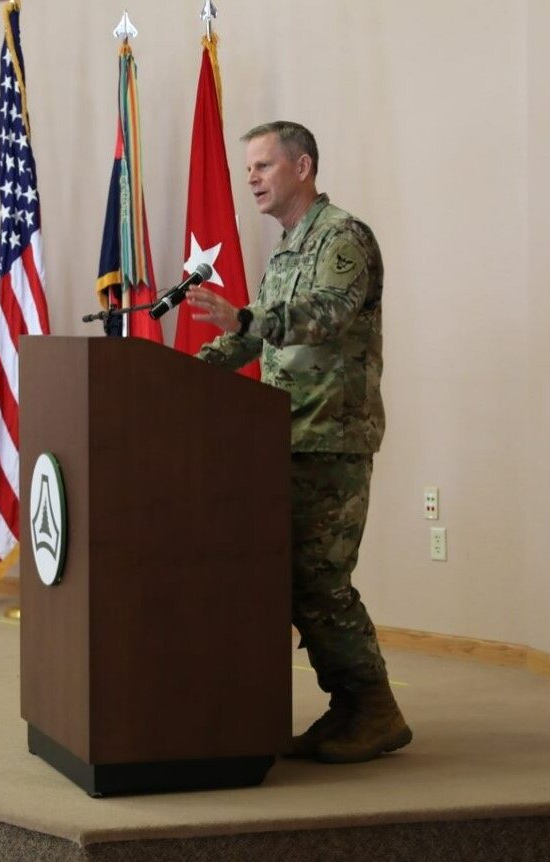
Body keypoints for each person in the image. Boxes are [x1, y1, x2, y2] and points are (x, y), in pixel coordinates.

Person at [187, 121, 412, 764]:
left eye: (262, 166)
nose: (250, 178)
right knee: (292, 579)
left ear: (302, 167)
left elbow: (327, 314)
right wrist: (187, 368)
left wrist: (249, 319)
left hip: (332, 435)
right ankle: (349, 708)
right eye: (248, 169)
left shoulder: (342, 237)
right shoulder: (285, 251)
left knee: (318, 581)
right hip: (285, 437)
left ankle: (372, 707)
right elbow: (253, 336)